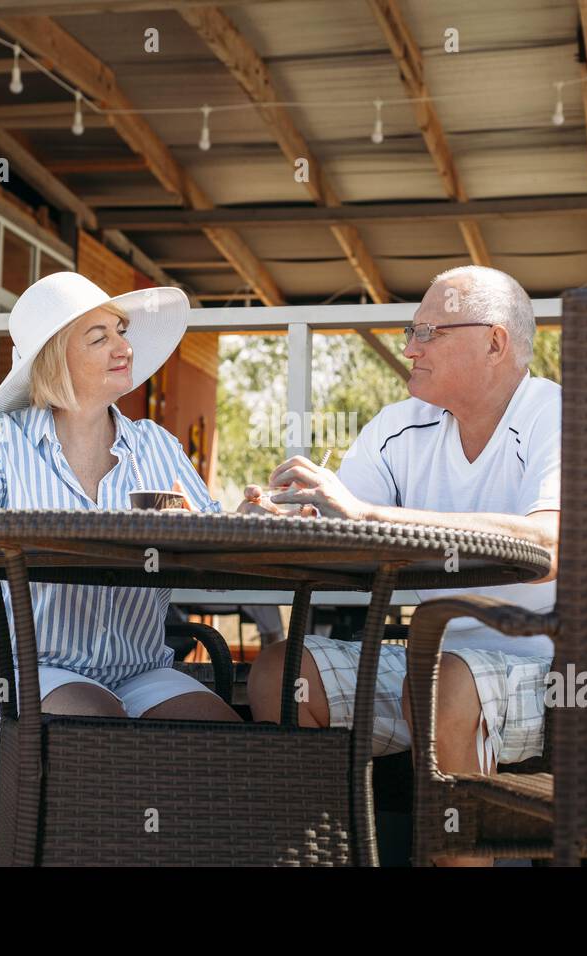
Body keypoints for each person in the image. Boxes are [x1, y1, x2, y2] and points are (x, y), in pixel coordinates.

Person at [243, 265, 560, 865]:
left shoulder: (555, 416)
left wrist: (365, 515)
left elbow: (549, 544)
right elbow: (342, 527)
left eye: (427, 332)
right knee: (282, 672)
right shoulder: (398, 427)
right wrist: (278, 517)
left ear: (494, 341)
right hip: (433, 665)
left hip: (552, 670)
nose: (408, 347)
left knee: (440, 682)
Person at [0, 272, 240, 744]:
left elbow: (217, 543)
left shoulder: (156, 445)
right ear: (55, 359)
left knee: (223, 738)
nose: (123, 348)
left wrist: (244, 519)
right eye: (100, 338)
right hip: (16, 670)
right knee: (96, 724)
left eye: (121, 332)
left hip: (136, 671)